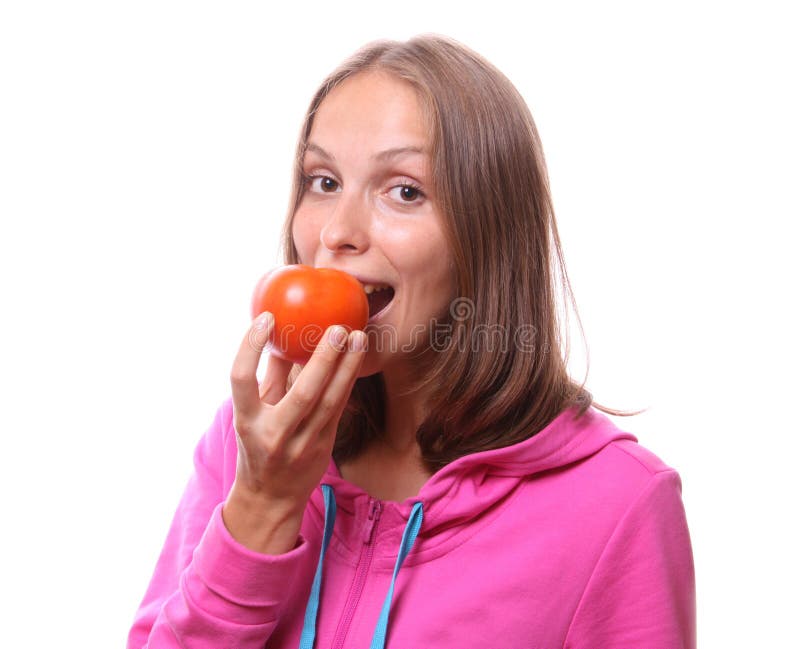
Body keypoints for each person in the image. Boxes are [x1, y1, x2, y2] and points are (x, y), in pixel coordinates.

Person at [127, 34, 696, 648]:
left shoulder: (617, 503)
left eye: (404, 191)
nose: (337, 233)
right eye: (322, 181)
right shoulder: (252, 446)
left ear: (487, 235)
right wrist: (262, 507)